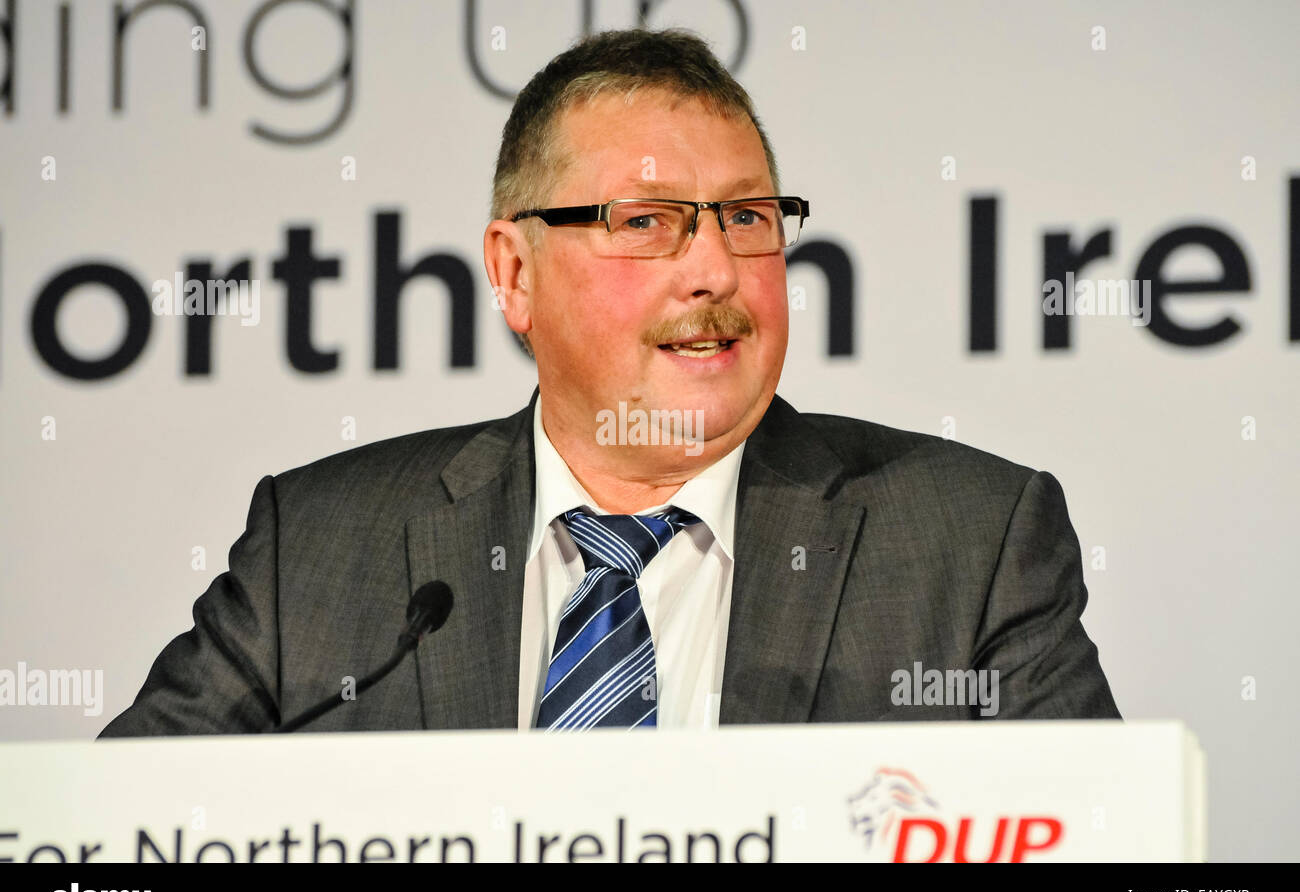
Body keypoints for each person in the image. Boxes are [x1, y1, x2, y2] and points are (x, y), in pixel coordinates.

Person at [100, 28, 1119, 737]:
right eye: (646, 222)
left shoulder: (971, 541)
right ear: (512, 271)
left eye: (747, 218)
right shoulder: (320, 553)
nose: (716, 269)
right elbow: (103, 867)